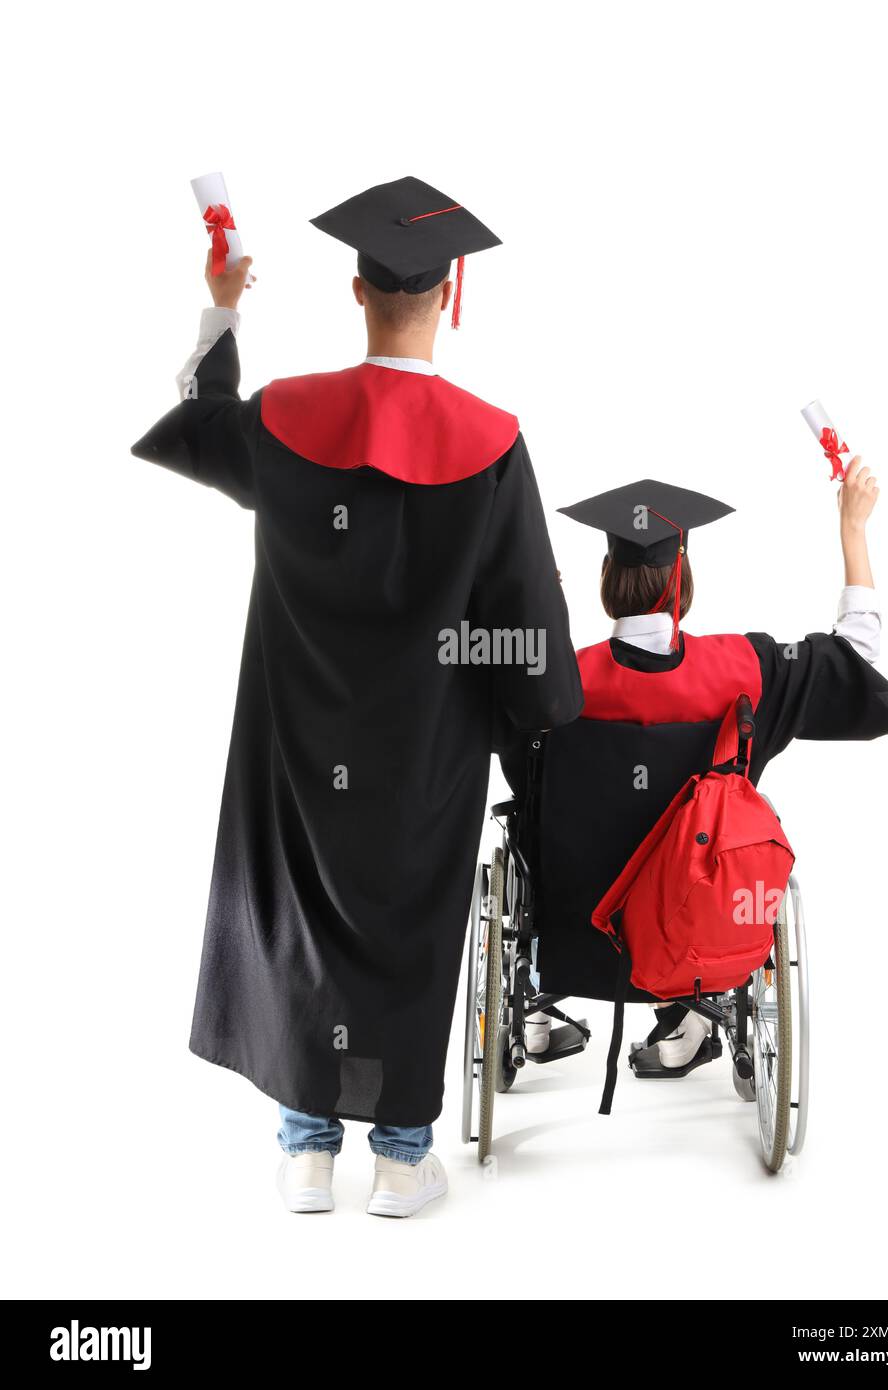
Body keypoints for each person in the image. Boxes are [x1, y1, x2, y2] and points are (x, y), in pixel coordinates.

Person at [130, 177, 583, 1217]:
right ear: (452, 290)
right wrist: (542, 702)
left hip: (296, 741)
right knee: (408, 924)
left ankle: (302, 1146)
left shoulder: (287, 418)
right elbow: (520, 623)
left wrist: (222, 306)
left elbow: (196, 430)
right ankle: (399, 1156)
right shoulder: (491, 442)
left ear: (354, 290)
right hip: (425, 749)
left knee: (301, 912)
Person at [513, 465, 888, 1071]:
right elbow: (856, 653)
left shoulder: (556, 677)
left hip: (574, 932)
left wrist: (527, 610)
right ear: (682, 578)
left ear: (606, 581)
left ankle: (534, 1020)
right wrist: (853, 530)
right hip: (697, 925)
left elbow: (496, 741)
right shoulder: (745, 670)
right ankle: (692, 1020)